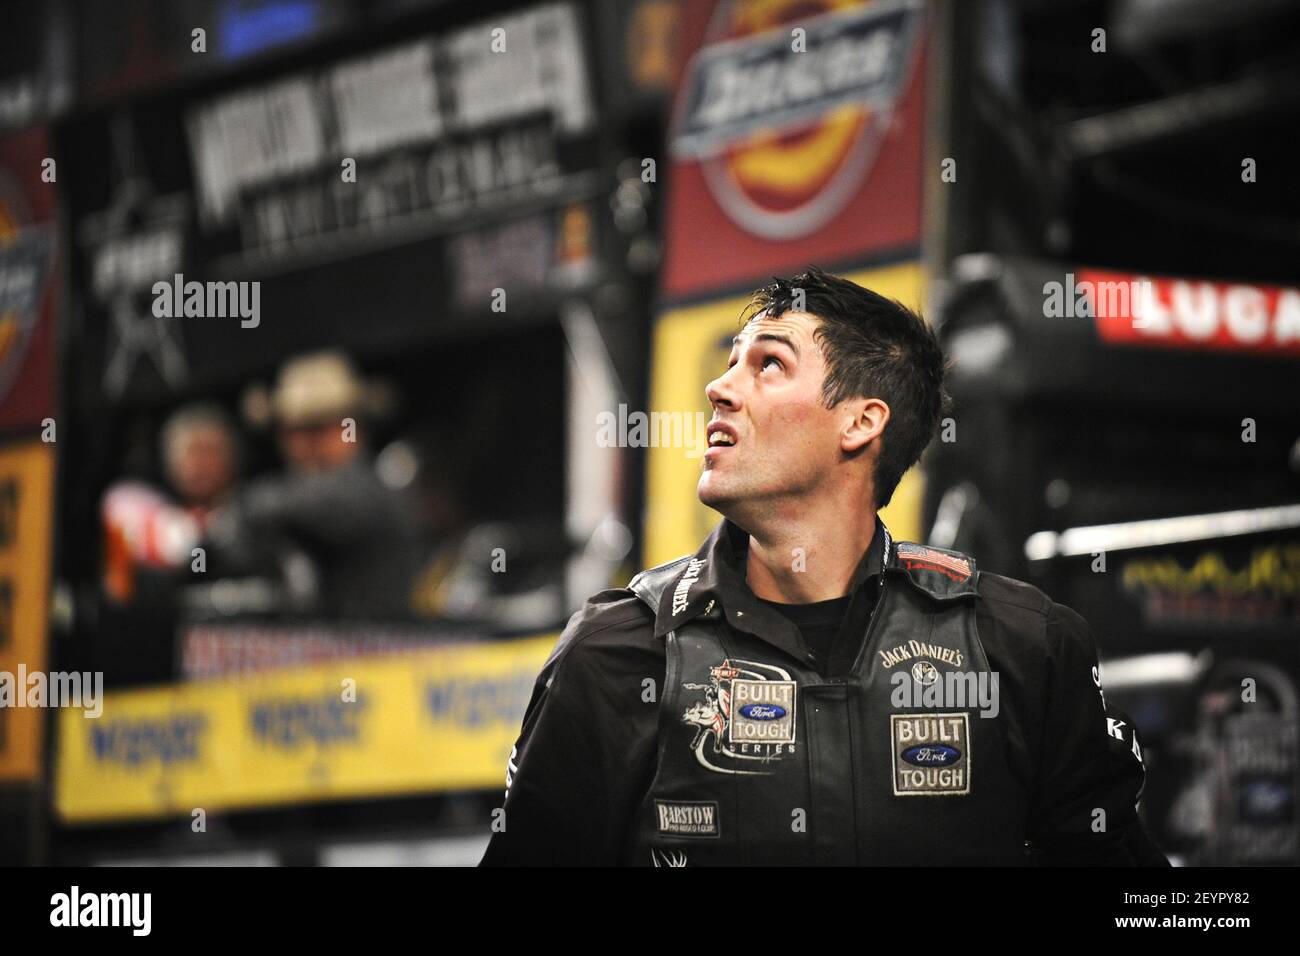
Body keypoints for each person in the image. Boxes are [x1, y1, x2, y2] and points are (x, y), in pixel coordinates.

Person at [481, 267, 1169, 866]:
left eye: (769, 364)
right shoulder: (617, 653)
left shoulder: (1019, 646)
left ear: (861, 424)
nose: (720, 390)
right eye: (730, 363)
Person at [208, 351, 421, 618]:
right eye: (293, 431)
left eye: (320, 428)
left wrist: (243, 509)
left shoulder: (368, 491)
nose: (305, 444)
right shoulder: (288, 500)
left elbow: (326, 504)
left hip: (383, 650)